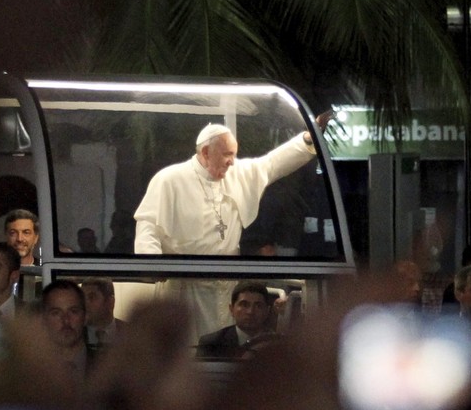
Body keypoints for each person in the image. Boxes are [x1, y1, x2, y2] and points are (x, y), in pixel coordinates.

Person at [133, 119, 326, 333]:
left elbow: (273, 164)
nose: (232, 162)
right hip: (185, 290)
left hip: (226, 287)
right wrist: (151, 264)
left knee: (226, 344)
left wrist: (306, 140)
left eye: (234, 154)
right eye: (227, 154)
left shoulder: (236, 174)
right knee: (186, 347)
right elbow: (148, 226)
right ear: (206, 152)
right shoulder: (169, 179)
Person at [196, 281, 279, 359]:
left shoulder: (278, 345)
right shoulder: (211, 344)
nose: (250, 312)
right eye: (244, 305)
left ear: (267, 311)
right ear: (231, 309)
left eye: (258, 306)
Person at [38, 279, 89, 381]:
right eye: (56, 313)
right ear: (43, 319)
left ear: (86, 317)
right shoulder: (27, 371)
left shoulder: (109, 367)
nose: (66, 320)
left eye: (73, 311)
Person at [79, 277, 127, 352]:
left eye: (92, 297)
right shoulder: (74, 335)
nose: (85, 304)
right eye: (82, 298)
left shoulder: (131, 333)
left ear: (110, 302)